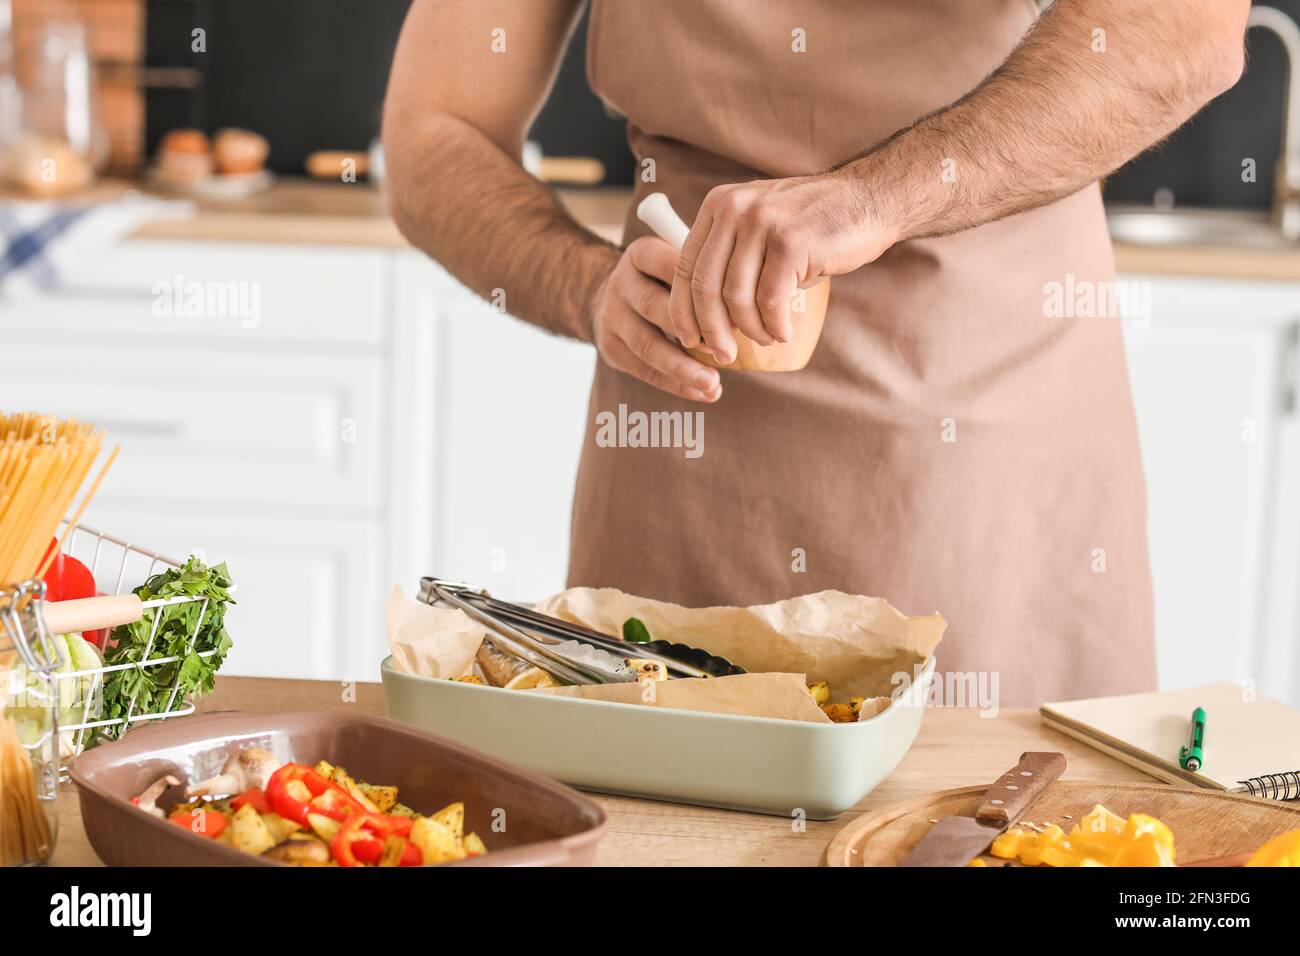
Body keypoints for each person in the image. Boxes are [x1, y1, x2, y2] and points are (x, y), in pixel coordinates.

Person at [383, 0, 1250, 706]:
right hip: (678, 457)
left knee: (999, 818)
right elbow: (436, 126)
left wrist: (877, 198)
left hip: (985, 446)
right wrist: (585, 286)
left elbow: (1182, 26)